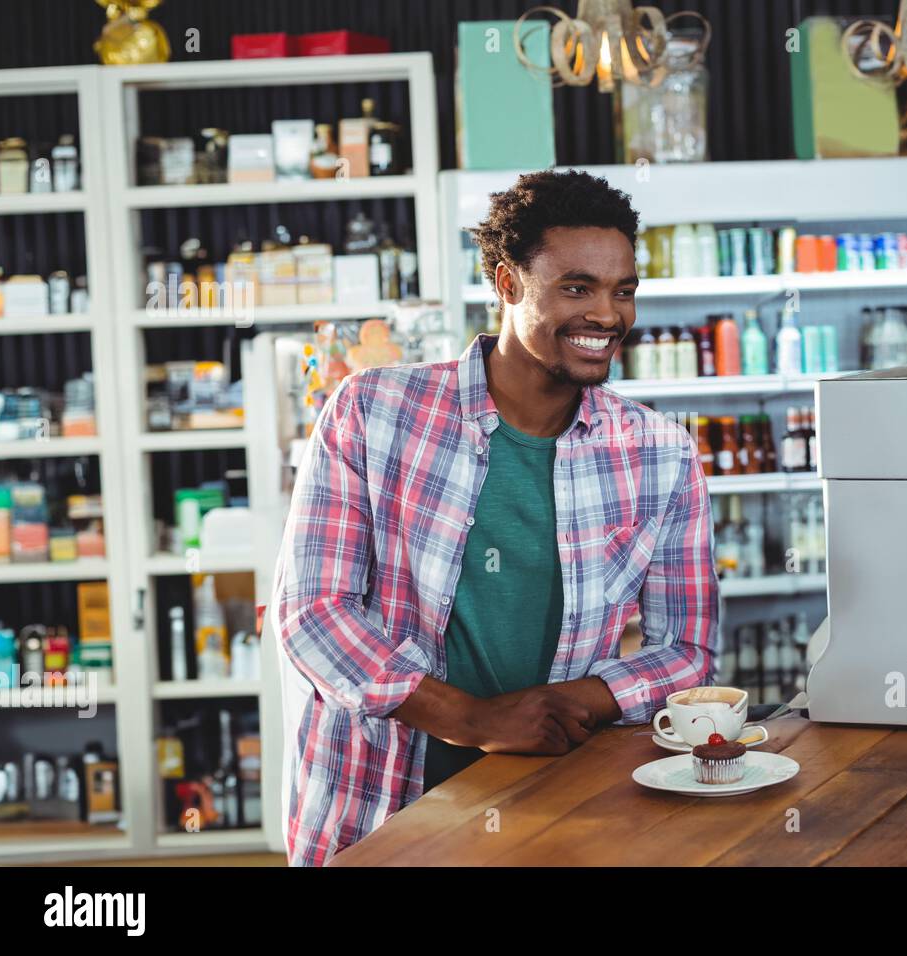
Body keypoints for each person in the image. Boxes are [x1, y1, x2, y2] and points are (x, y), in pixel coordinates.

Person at [272, 169, 720, 866]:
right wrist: (473, 719)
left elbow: (689, 650)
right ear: (509, 284)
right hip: (376, 805)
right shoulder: (373, 412)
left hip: (562, 807)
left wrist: (592, 697)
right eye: (577, 287)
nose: (608, 315)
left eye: (623, 290)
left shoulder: (659, 454)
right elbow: (312, 612)